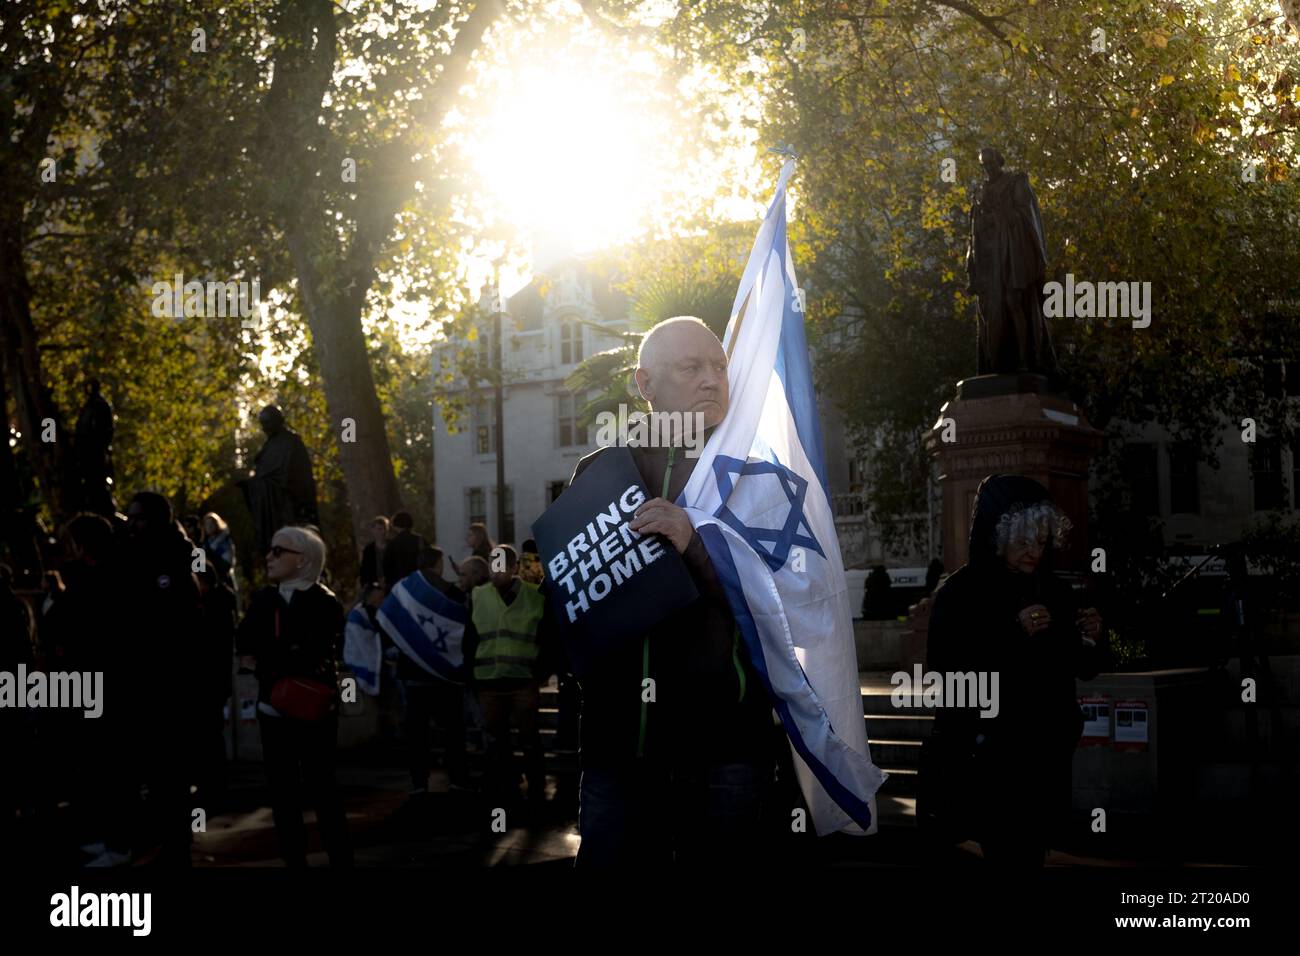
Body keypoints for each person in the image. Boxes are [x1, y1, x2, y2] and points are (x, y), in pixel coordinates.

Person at [564, 316, 775, 868]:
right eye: (692, 367)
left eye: (720, 367)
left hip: (726, 747)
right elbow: (568, 614)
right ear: (645, 385)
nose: (713, 379)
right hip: (618, 753)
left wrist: (694, 543)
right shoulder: (596, 474)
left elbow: (784, 602)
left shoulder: (755, 475)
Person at [922, 474, 1107, 867]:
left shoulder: (1053, 590)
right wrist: (1012, 633)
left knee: (1030, 859)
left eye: (1040, 541)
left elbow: (1082, 667)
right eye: (1022, 540)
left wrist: (1093, 639)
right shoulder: (960, 594)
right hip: (989, 769)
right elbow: (947, 679)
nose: (1033, 552)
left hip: (1045, 765)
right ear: (996, 534)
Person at [235, 526, 352, 867]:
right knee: (283, 795)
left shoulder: (325, 602)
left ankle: (341, 860)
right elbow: (245, 642)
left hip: (313, 709)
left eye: (278, 551)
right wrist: (277, 654)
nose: (269, 557)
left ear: (303, 560)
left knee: (324, 790)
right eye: (270, 550)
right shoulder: (264, 599)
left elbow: (305, 650)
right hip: (274, 708)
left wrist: (269, 656)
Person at [121, 491, 203, 866]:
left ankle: (177, 846)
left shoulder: (181, 557)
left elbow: (186, 621)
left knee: (172, 773)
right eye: (130, 517)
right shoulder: (134, 553)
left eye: (139, 517)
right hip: (143, 681)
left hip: (171, 684)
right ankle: (159, 840)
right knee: (152, 773)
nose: (132, 524)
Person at [463, 545, 551, 804]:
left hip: (523, 680)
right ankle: (508, 782)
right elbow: (470, 640)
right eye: (492, 564)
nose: (496, 570)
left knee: (529, 737)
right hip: (489, 681)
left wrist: (540, 673)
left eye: (502, 564)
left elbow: (546, 640)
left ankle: (536, 785)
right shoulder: (478, 595)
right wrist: (471, 676)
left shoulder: (535, 596)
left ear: (514, 568)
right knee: (497, 739)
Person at [392, 547, 470, 799]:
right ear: (438, 565)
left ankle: (418, 783)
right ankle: (458, 780)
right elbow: (464, 628)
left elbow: (389, 623)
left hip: (413, 675)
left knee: (417, 735)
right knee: (453, 732)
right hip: (445, 674)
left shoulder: (402, 590)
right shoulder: (452, 591)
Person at [239, 406, 319, 555]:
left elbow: (299, 479)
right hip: (270, 510)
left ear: (277, 421)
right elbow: (263, 476)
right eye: (262, 424)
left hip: (289, 507)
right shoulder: (267, 447)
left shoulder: (291, 443)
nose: (264, 428)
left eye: (267, 423)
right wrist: (250, 486)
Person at [73, 378, 117, 516]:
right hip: (87, 455)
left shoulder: (99, 406)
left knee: (96, 488)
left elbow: (103, 432)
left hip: (94, 456)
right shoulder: (89, 407)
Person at [382, 511, 424, 587]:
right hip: (419, 582)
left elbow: (386, 567)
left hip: (399, 584)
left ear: (395, 525)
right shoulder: (420, 540)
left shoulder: (392, 543)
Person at [201, 512, 238, 592]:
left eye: (211, 523)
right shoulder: (204, 544)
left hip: (224, 581)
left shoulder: (225, 541)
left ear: (217, 524)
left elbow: (228, 561)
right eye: (207, 524)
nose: (209, 526)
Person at [358, 515, 390, 591]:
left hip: (391, 584)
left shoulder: (392, 546)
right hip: (374, 586)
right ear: (373, 530)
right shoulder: (369, 550)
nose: (382, 532)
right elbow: (364, 570)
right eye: (378, 529)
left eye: (384, 529)